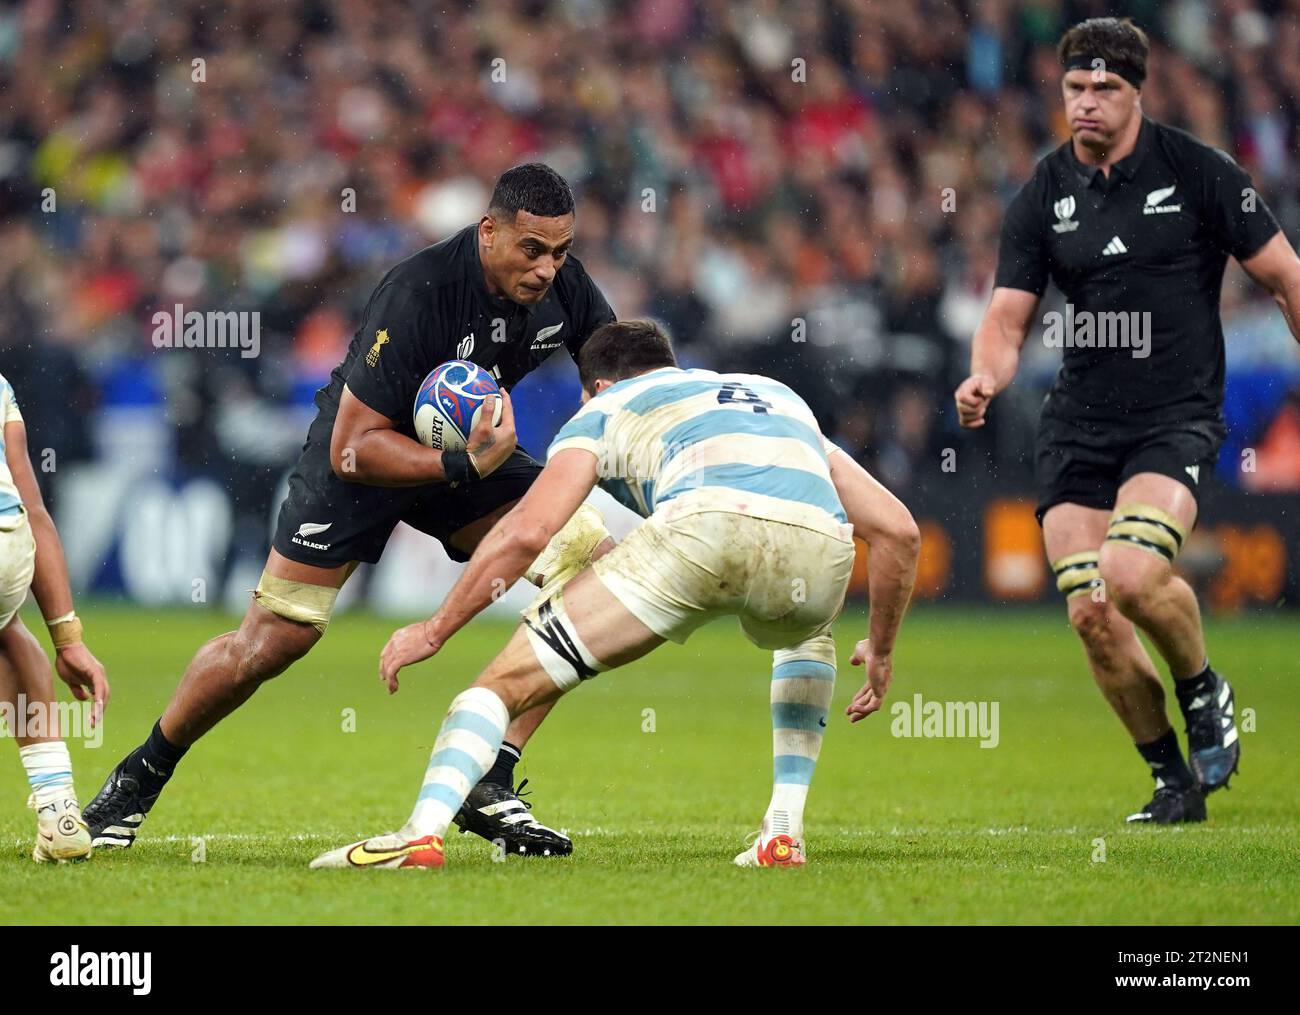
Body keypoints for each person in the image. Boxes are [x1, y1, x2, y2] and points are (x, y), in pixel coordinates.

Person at [84, 163, 618, 856]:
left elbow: (622, 369)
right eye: (532, 250)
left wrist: (629, 408)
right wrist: (461, 463)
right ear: (489, 232)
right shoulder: (418, 292)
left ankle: (491, 772)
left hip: (466, 456)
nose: (548, 269)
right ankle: (139, 775)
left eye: (560, 251)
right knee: (273, 640)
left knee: (593, 571)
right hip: (366, 457)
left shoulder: (564, 288)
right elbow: (351, 449)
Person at [309, 319, 920, 870]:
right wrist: (884, 648)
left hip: (700, 531)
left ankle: (419, 835)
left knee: (498, 686)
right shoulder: (779, 398)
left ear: (596, 385)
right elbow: (898, 531)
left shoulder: (604, 409)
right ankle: (782, 829)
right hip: (819, 550)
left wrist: (433, 628)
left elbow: (528, 530)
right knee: (808, 633)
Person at [954, 18, 1300, 823]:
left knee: (1134, 573)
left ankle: (1204, 686)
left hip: (1173, 417)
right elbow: (1006, 320)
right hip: (1077, 424)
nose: (1087, 103)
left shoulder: (1202, 172)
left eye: (1105, 88)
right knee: (1091, 611)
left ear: (1138, 91)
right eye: (1075, 87)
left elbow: (1284, 276)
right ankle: (1173, 782)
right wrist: (985, 377)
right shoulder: (1044, 193)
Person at [0, 371, 110, 862]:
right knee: (8, 631)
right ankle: (58, 808)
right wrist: (68, 638)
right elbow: (34, 509)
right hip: (9, 543)